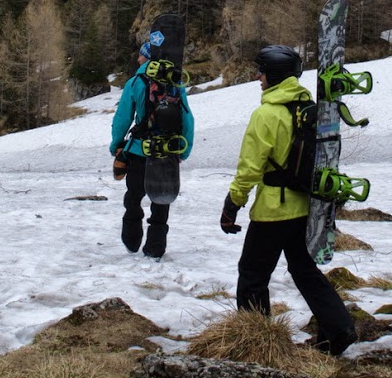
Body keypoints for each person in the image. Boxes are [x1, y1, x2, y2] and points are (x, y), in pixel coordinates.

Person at [219, 44, 357, 356]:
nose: (258, 77)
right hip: (305, 207)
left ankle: (255, 340)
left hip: (272, 211)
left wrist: (232, 204)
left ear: (275, 76)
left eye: (262, 72)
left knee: (253, 274)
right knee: (304, 270)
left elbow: (250, 169)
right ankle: (339, 329)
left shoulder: (266, 115)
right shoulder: (310, 109)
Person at [109, 32, 194, 258]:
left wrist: (116, 145)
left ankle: (131, 239)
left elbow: (122, 118)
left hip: (138, 151)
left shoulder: (135, 82)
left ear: (146, 58)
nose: (137, 59)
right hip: (168, 151)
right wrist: (182, 151)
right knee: (161, 200)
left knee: (133, 197)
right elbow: (187, 119)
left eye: (140, 56)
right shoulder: (175, 82)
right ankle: (156, 247)